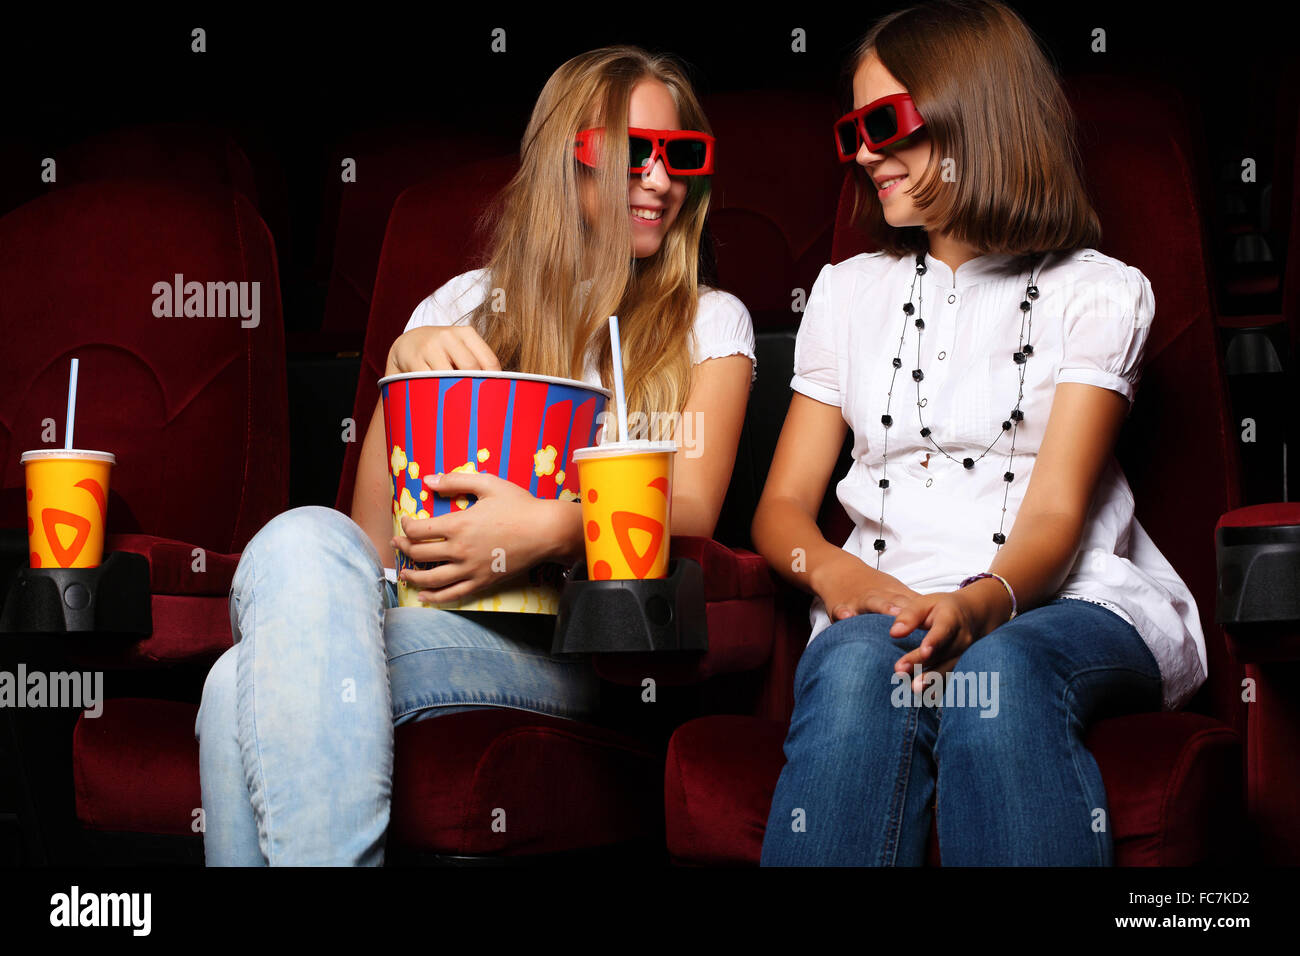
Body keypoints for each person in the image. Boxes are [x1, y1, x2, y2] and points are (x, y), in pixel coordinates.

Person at [195, 45, 756, 866]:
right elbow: (369, 548)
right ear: (568, 161)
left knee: (231, 685)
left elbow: (697, 507)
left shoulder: (712, 322)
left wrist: (549, 527)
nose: (662, 179)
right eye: (636, 153)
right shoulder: (455, 307)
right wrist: (400, 370)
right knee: (299, 538)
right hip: (424, 611)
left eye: (680, 155)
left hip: (568, 642)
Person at [754, 0, 1203, 866]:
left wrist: (978, 605)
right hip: (884, 607)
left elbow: (1053, 518)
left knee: (998, 674)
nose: (861, 151)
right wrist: (843, 574)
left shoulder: (1098, 291)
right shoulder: (847, 294)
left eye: (885, 124)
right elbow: (780, 509)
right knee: (855, 669)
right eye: (852, 128)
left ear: (976, 116)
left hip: (1071, 602)